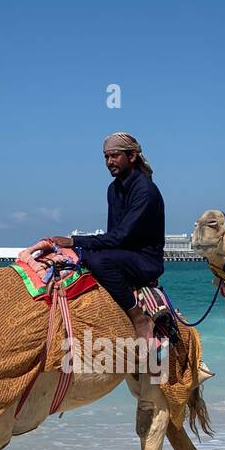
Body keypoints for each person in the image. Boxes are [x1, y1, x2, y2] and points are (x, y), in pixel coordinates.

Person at [51, 132, 165, 345]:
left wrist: (75, 241)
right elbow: (114, 234)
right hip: (124, 254)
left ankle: (139, 318)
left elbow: (119, 236)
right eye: (106, 157)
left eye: (114, 156)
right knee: (79, 258)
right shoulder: (113, 189)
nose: (109, 162)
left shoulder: (145, 191)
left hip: (145, 261)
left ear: (131, 156)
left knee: (97, 260)